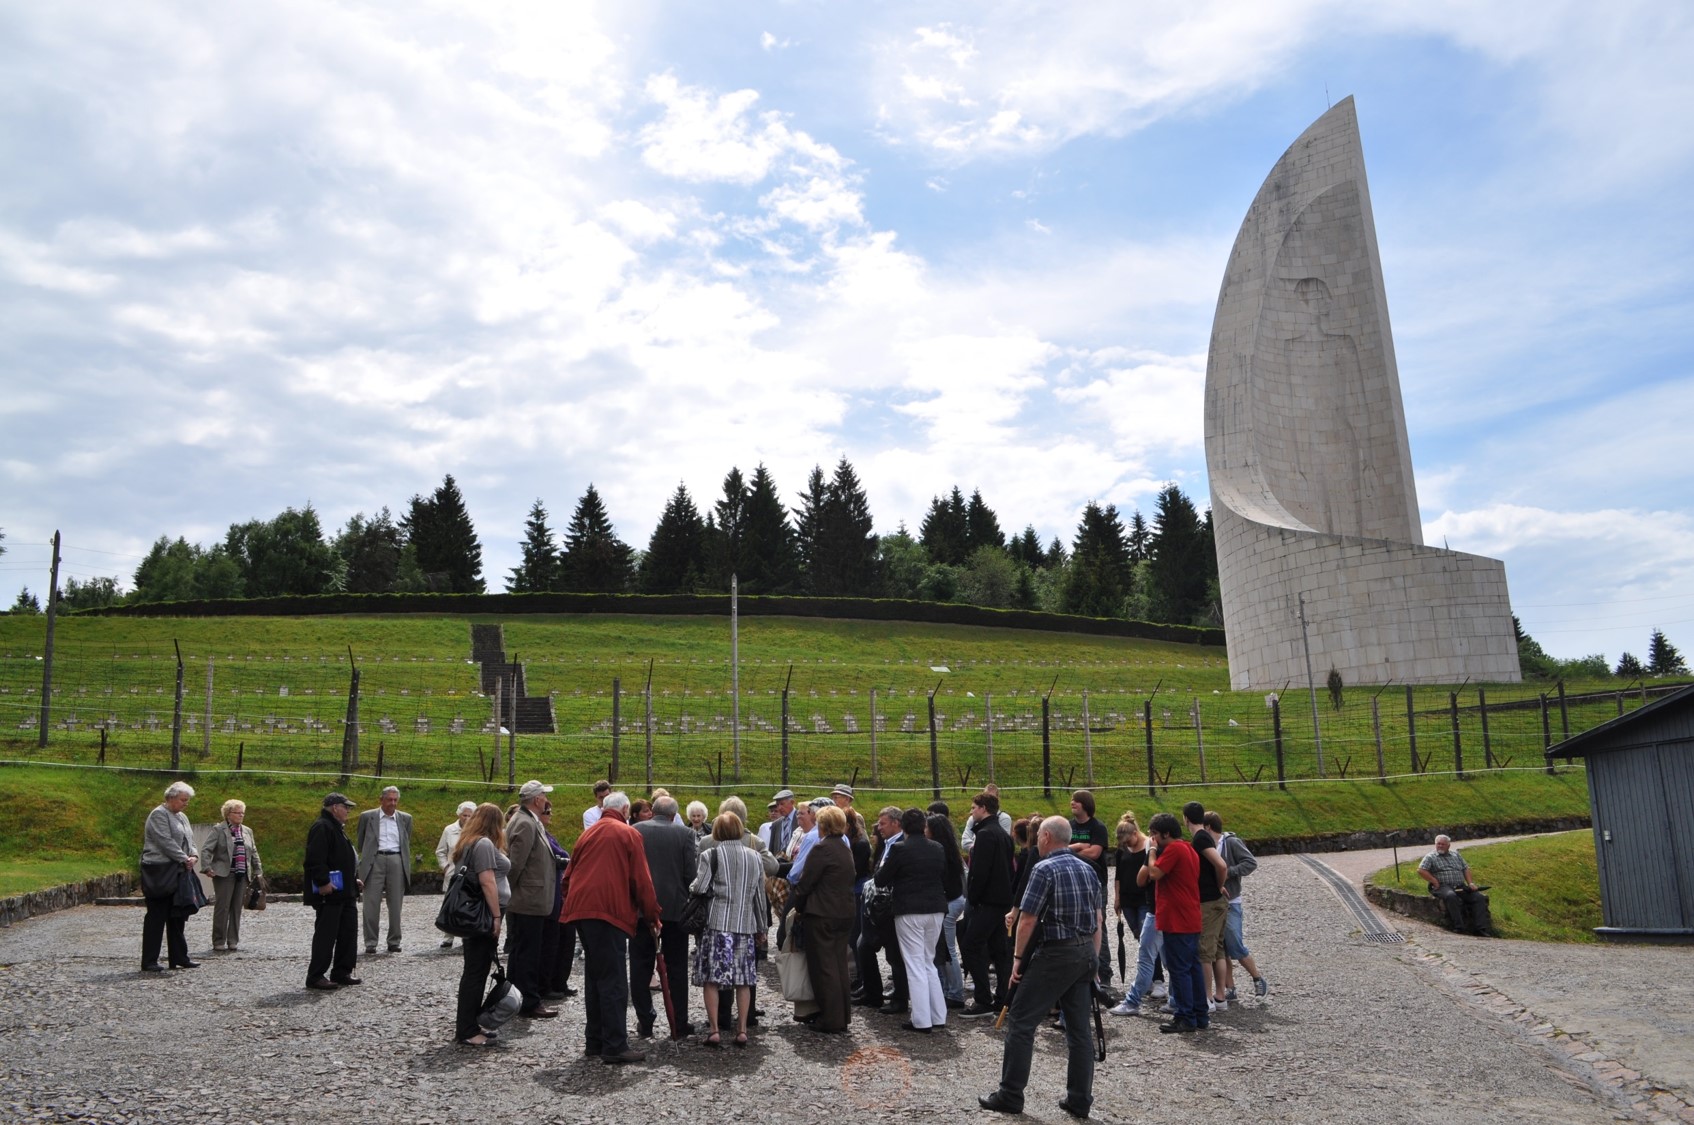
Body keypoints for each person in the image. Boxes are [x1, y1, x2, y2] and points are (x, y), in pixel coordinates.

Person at [978, 816, 1102, 1119]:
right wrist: (1094, 961)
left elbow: (1029, 919)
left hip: (1056, 954)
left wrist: (1017, 960)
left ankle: (1010, 1094)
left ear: (1045, 836)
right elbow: (1098, 921)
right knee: (1078, 1030)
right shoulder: (1088, 869)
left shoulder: (1044, 869)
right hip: (1085, 951)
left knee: (1020, 1021)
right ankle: (1080, 1099)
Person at [561, 792, 662, 1064]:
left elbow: (568, 876)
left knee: (595, 978)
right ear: (626, 809)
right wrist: (653, 915)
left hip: (581, 911)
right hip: (608, 913)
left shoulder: (588, 834)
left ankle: (595, 1041)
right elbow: (642, 880)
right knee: (614, 980)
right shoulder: (628, 834)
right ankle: (615, 1045)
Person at [690, 810, 768, 1048]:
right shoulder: (755, 857)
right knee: (743, 980)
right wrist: (762, 927)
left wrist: (693, 885)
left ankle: (714, 1029)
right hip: (744, 924)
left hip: (716, 924)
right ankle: (742, 1029)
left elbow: (700, 888)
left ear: (717, 832)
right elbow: (759, 896)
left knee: (712, 979)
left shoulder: (710, 855)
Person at [875, 808, 951, 1033]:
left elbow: (881, 879)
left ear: (904, 827)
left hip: (909, 910)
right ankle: (938, 1015)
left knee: (915, 964)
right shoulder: (938, 848)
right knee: (928, 962)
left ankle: (921, 1020)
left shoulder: (899, 849)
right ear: (924, 826)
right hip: (936, 908)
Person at [633, 795, 696, 1037]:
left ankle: (645, 1021)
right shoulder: (685, 834)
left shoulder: (636, 830)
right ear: (673, 815)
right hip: (674, 909)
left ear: (653, 811)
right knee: (677, 967)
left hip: (641, 909)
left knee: (640, 966)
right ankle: (678, 1022)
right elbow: (690, 874)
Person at [794, 804, 856, 1034]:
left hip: (822, 913)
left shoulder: (822, 849)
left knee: (823, 967)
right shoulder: (843, 847)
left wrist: (798, 907)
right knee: (839, 965)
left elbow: (806, 883)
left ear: (823, 825)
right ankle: (842, 1015)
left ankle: (830, 1018)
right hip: (844, 912)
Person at [451, 803, 509, 1047]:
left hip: (479, 913)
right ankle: (466, 1029)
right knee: (476, 971)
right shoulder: (483, 844)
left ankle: (471, 1024)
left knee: (477, 968)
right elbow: (487, 882)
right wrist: (496, 916)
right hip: (484, 914)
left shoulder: (469, 842)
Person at [1143, 812, 1205, 1033]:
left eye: (1154, 835)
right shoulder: (1189, 848)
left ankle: (1185, 1015)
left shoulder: (1174, 849)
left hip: (1176, 919)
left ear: (1166, 834)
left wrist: (1151, 851)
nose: (1153, 839)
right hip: (1190, 916)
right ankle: (1199, 1014)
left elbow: (1154, 872)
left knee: (1179, 970)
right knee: (1192, 967)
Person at [506, 779, 559, 1020]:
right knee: (527, 953)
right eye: (544, 796)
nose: (547, 800)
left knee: (521, 951)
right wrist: (511, 892)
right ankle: (528, 1000)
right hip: (527, 899)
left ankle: (516, 997)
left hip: (528, 898)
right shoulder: (525, 823)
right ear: (537, 799)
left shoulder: (527, 820)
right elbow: (515, 864)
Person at [959, 792, 1015, 1018]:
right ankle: (1002, 997)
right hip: (1003, 901)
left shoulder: (984, 835)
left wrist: (972, 898)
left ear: (983, 808)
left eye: (973, 808)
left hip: (987, 902)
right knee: (999, 950)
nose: (971, 812)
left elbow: (979, 873)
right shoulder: (1003, 835)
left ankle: (983, 998)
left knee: (971, 945)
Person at [1206, 810, 1269, 999]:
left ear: (1208, 827)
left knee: (1235, 944)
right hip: (1214, 902)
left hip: (1231, 901)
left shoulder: (1231, 842)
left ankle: (1257, 978)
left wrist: (1227, 872)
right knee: (1221, 947)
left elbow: (1250, 863)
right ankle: (1230, 987)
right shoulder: (1207, 846)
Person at [303, 793, 362, 991]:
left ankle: (342, 971)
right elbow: (315, 859)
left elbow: (341, 859)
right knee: (326, 935)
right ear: (335, 807)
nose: (348, 811)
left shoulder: (336, 828)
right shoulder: (322, 827)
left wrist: (353, 880)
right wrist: (323, 881)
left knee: (348, 932)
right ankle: (316, 975)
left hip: (345, 891)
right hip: (330, 892)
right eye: (346, 807)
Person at [140, 781, 199, 972]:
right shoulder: (158, 814)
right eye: (183, 800)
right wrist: (184, 858)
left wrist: (194, 855)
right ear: (171, 798)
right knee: (156, 916)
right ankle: (149, 960)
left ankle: (179, 957)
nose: (185, 804)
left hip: (179, 871)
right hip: (160, 871)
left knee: (178, 915)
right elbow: (165, 841)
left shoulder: (182, 817)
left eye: (187, 800)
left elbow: (189, 840)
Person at [1110, 811, 1162, 1016]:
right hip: (1127, 898)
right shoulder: (1122, 850)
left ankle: (1158, 980)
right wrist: (1116, 898)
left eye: (1129, 840)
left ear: (1135, 832)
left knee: (1148, 941)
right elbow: (1118, 875)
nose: (1127, 845)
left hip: (1144, 900)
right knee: (1141, 939)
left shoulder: (1149, 846)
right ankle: (1148, 979)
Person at [1182, 801, 1232, 1010]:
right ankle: (1220, 996)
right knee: (1218, 949)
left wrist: (1219, 885)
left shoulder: (1200, 838)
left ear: (1185, 819)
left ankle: (1207, 997)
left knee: (1204, 950)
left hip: (1209, 902)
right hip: (1217, 902)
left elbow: (1221, 865)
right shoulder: (1205, 836)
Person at [199, 798, 262, 953]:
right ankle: (218, 940)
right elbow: (207, 849)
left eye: (243, 813)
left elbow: (253, 851)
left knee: (236, 908)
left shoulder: (247, 831)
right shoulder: (218, 830)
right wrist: (206, 867)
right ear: (228, 814)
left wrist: (258, 870)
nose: (241, 815)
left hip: (242, 874)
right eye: (237, 812)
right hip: (223, 874)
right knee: (223, 907)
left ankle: (233, 940)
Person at [357, 786, 413, 955]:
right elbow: (361, 841)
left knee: (396, 904)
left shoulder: (405, 818)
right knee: (371, 904)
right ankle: (371, 942)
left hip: (396, 859)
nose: (393, 803)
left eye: (395, 800)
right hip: (375, 860)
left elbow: (406, 840)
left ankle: (394, 941)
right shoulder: (367, 817)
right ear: (381, 800)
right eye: (389, 799)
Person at [1068, 790, 1112, 987]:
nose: (1073, 803)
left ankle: (1104, 972)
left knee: (1098, 925)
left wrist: (1072, 850)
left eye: (1076, 801)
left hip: (1096, 883)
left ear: (1085, 804)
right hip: (1074, 883)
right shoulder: (1069, 826)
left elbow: (1094, 853)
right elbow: (1063, 849)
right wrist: (1079, 845)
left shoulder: (1098, 827)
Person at [928, 812, 969, 1009]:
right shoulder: (950, 850)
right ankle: (948, 989)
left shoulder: (939, 851)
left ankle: (955, 992)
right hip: (954, 899)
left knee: (947, 949)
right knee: (944, 949)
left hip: (949, 902)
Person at [1419, 835, 1492, 935]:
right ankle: (1459, 927)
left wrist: (1470, 883)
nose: (1440, 846)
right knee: (1451, 896)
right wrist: (1434, 881)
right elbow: (1421, 870)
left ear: (1448, 845)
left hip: (1460, 886)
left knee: (1479, 898)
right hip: (1442, 886)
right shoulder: (1430, 857)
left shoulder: (1456, 855)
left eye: (1443, 844)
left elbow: (1465, 868)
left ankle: (1480, 929)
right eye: (1438, 844)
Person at [435, 801, 476, 949]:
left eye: (470, 816)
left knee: (468, 903)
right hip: (453, 872)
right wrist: (445, 866)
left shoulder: (477, 831)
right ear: (459, 815)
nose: (467, 818)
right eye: (464, 815)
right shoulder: (449, 830)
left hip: (470, 873)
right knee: (450, 903)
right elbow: (440, 851)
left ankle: (467, 934)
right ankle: (448, 936)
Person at [960, 782, 1013, 855]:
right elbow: (964, 842)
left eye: (992, 798)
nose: (989, 800)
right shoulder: (974, 818)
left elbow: (1002, 844)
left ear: (997, 799)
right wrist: (978, 848)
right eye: (986, 797)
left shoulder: (1004, 818)